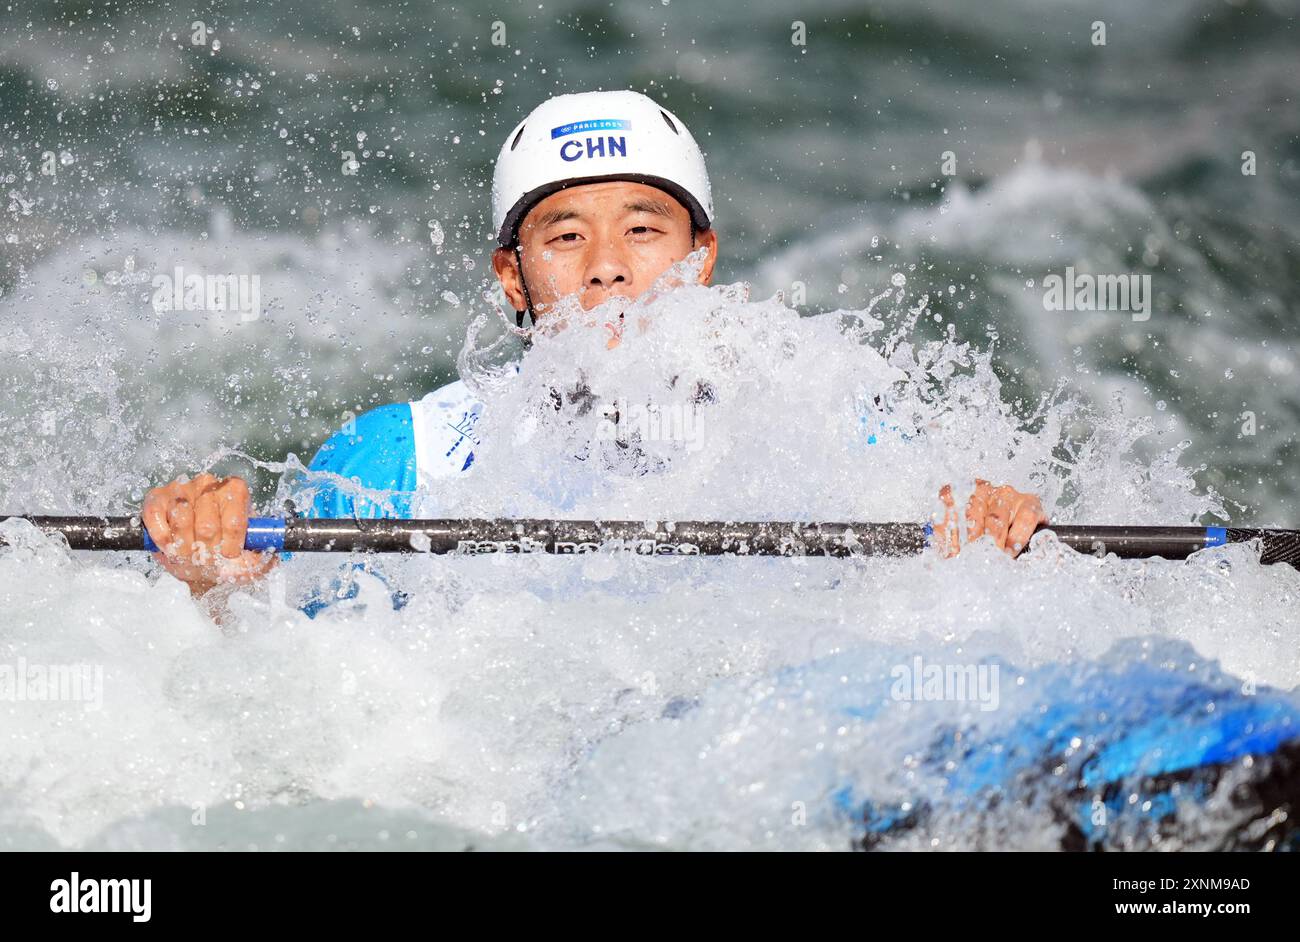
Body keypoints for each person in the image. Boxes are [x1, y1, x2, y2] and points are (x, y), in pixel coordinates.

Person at [142, 90, 1047, 610]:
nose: (610, 269)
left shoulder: (823, 414)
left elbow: (945, 593)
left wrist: (984, 534)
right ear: (513, 277)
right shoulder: (401, 457)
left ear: (702, 259)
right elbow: (283, 689)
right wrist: (211, 581)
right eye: (566, 238)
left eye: (645, 229)